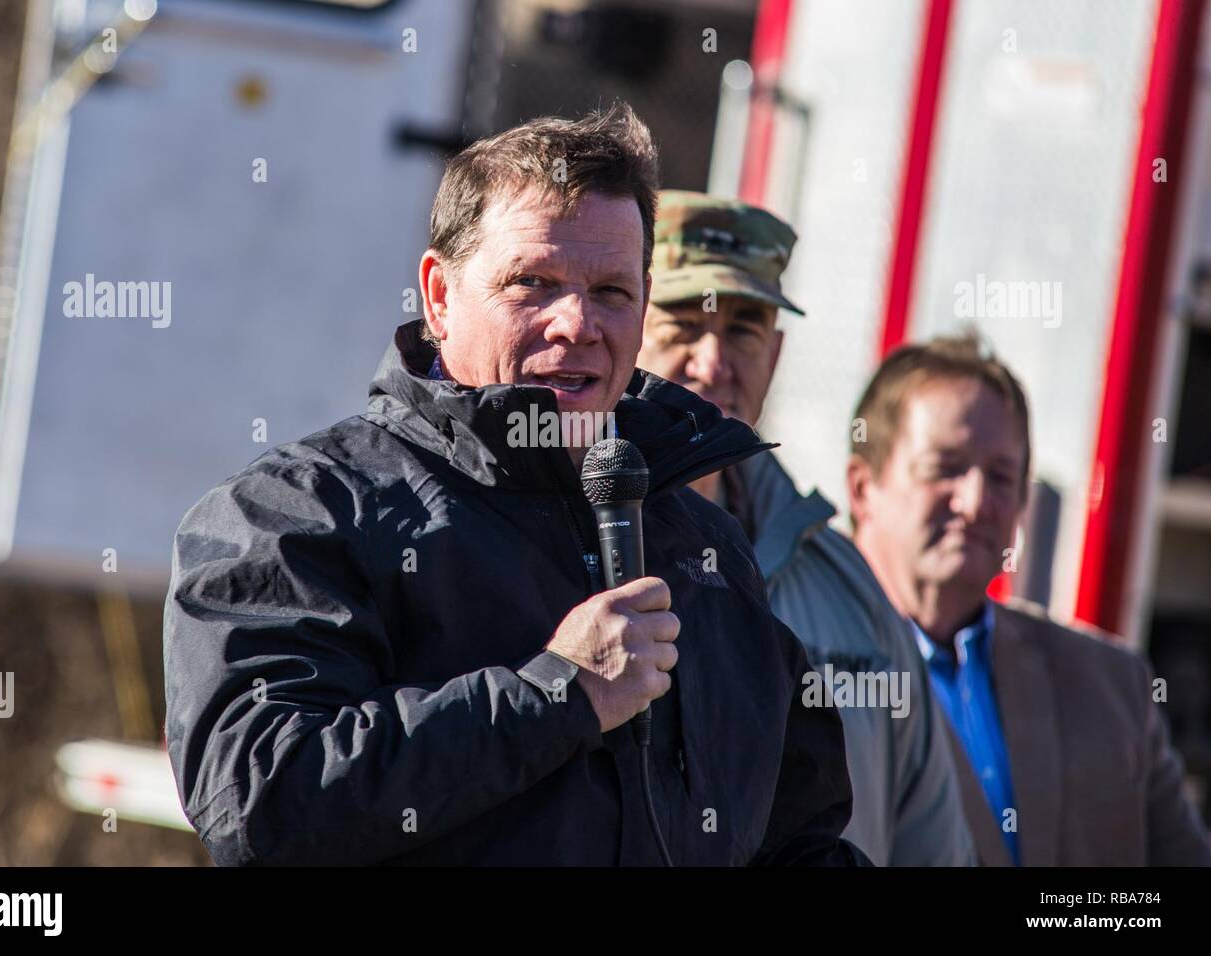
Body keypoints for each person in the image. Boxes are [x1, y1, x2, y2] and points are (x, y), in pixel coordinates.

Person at [163, 104, 867, 866]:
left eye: (611, 292)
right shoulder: (294, 516)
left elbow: (797, 844)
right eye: (533, 282)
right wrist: (556, 694)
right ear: (438, 296)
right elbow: (261, 801)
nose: (577, 323)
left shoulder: (707, 549)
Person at [635, 190, 974, 866]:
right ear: (625, 331)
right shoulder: (575, 552)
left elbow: (932, 848)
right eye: (681, 327)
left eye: (743, 330)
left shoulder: (850, 592)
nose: (713, 363)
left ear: (777, 353)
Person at [847, 332, 1211, 865]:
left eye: (1000, 476)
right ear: (862, 488)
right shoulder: (801, 676)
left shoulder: (1113, 688)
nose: (975, 503)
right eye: (945, 467)